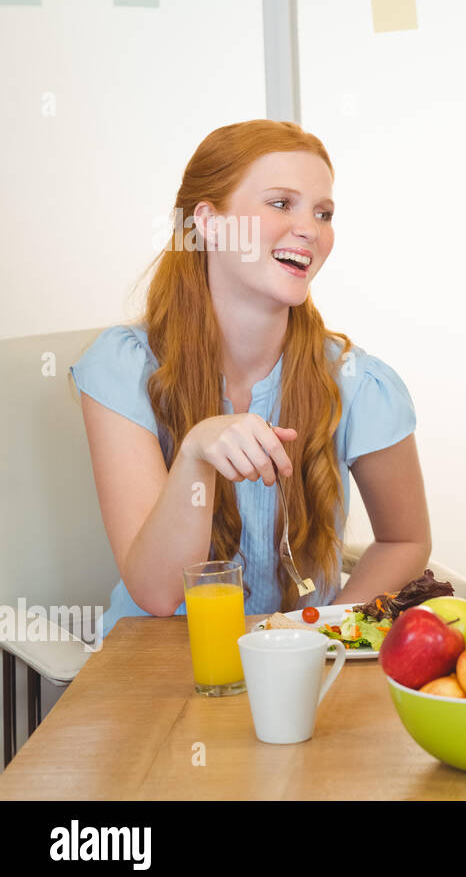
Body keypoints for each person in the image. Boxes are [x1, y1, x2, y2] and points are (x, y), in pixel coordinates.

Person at [71, 120, 432, 638]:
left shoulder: (357, 382)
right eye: (281, 203)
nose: (310, 228)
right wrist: (195, 454)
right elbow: (157, 593)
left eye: (323, 212)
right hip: (153, 669)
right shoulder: (122, 367)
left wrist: (324, 633)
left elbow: (405, 541)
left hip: (298, 669)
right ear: (209, 223)